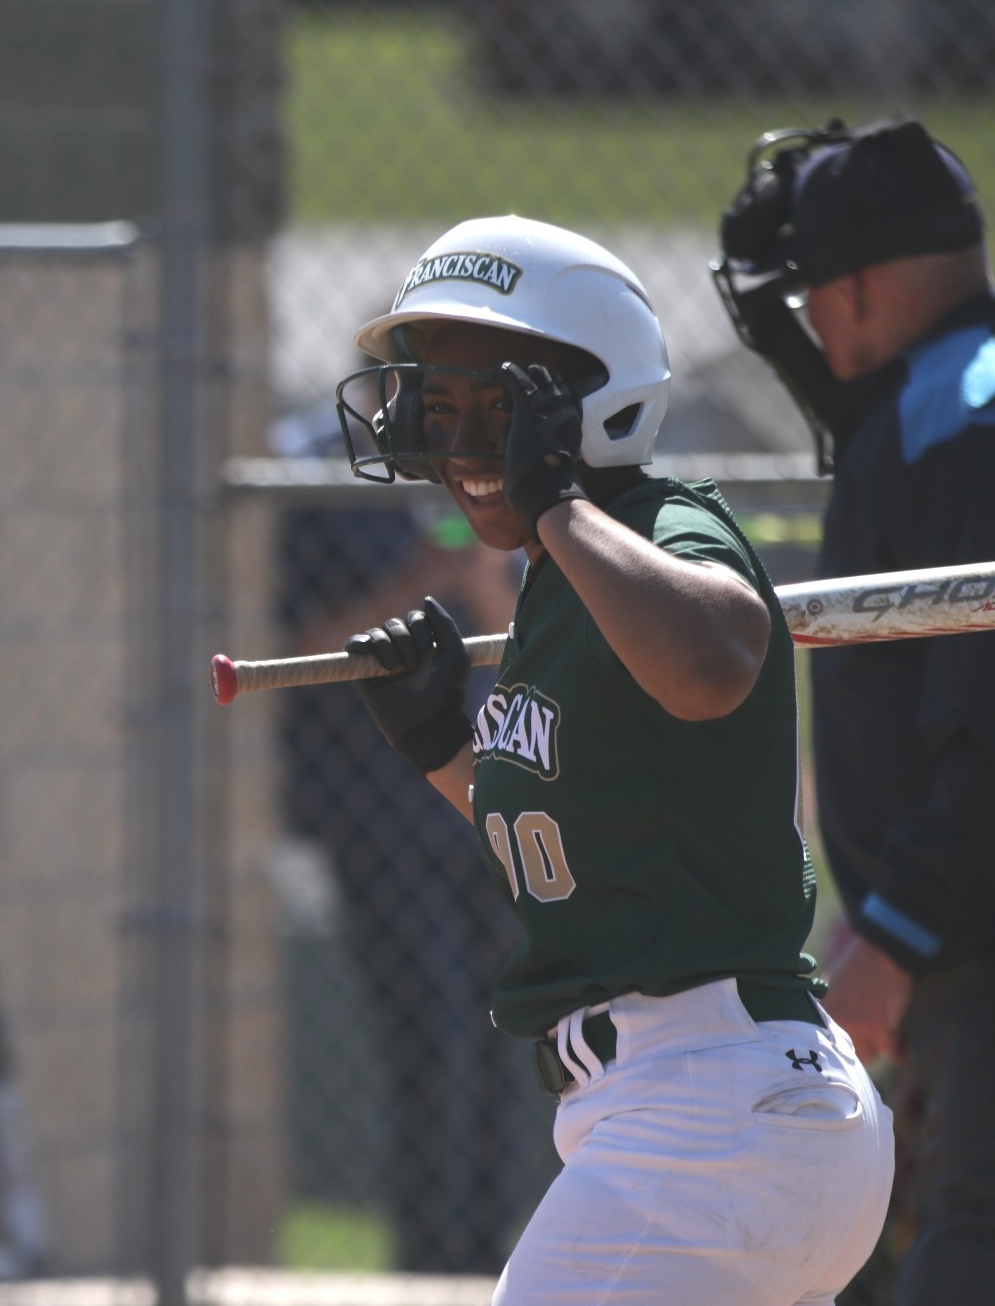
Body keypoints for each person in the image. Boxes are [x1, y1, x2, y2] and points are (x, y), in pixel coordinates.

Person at [334, 215, 893, 1302]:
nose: (459, 448)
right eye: (436, 411)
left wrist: (558, 506)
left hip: (709, 1107)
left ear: (594, 402)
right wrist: (442, 743)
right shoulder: (564, 577)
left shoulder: (654, 526)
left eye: (497, 412)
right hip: (728, 1114)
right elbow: (575, 846)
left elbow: (714, 658)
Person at [714, 115, 995, 1305]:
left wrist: (896, 933)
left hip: (970, 932)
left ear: (864, 287)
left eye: (813, 292)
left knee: (966, 1241)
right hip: (954, 923)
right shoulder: (950, 394)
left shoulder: (958, 418)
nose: (805, 321)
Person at [268, 402, 540, 1273]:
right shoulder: (313, 476)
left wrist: (472, 573)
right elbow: (297, 651)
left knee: (503, 1030)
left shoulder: (475, 471)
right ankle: (432, 1266)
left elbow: (515, 637)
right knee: (432, 1039)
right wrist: (417, 581)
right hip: (373, 812)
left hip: (477, 793)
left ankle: (488, 1261)